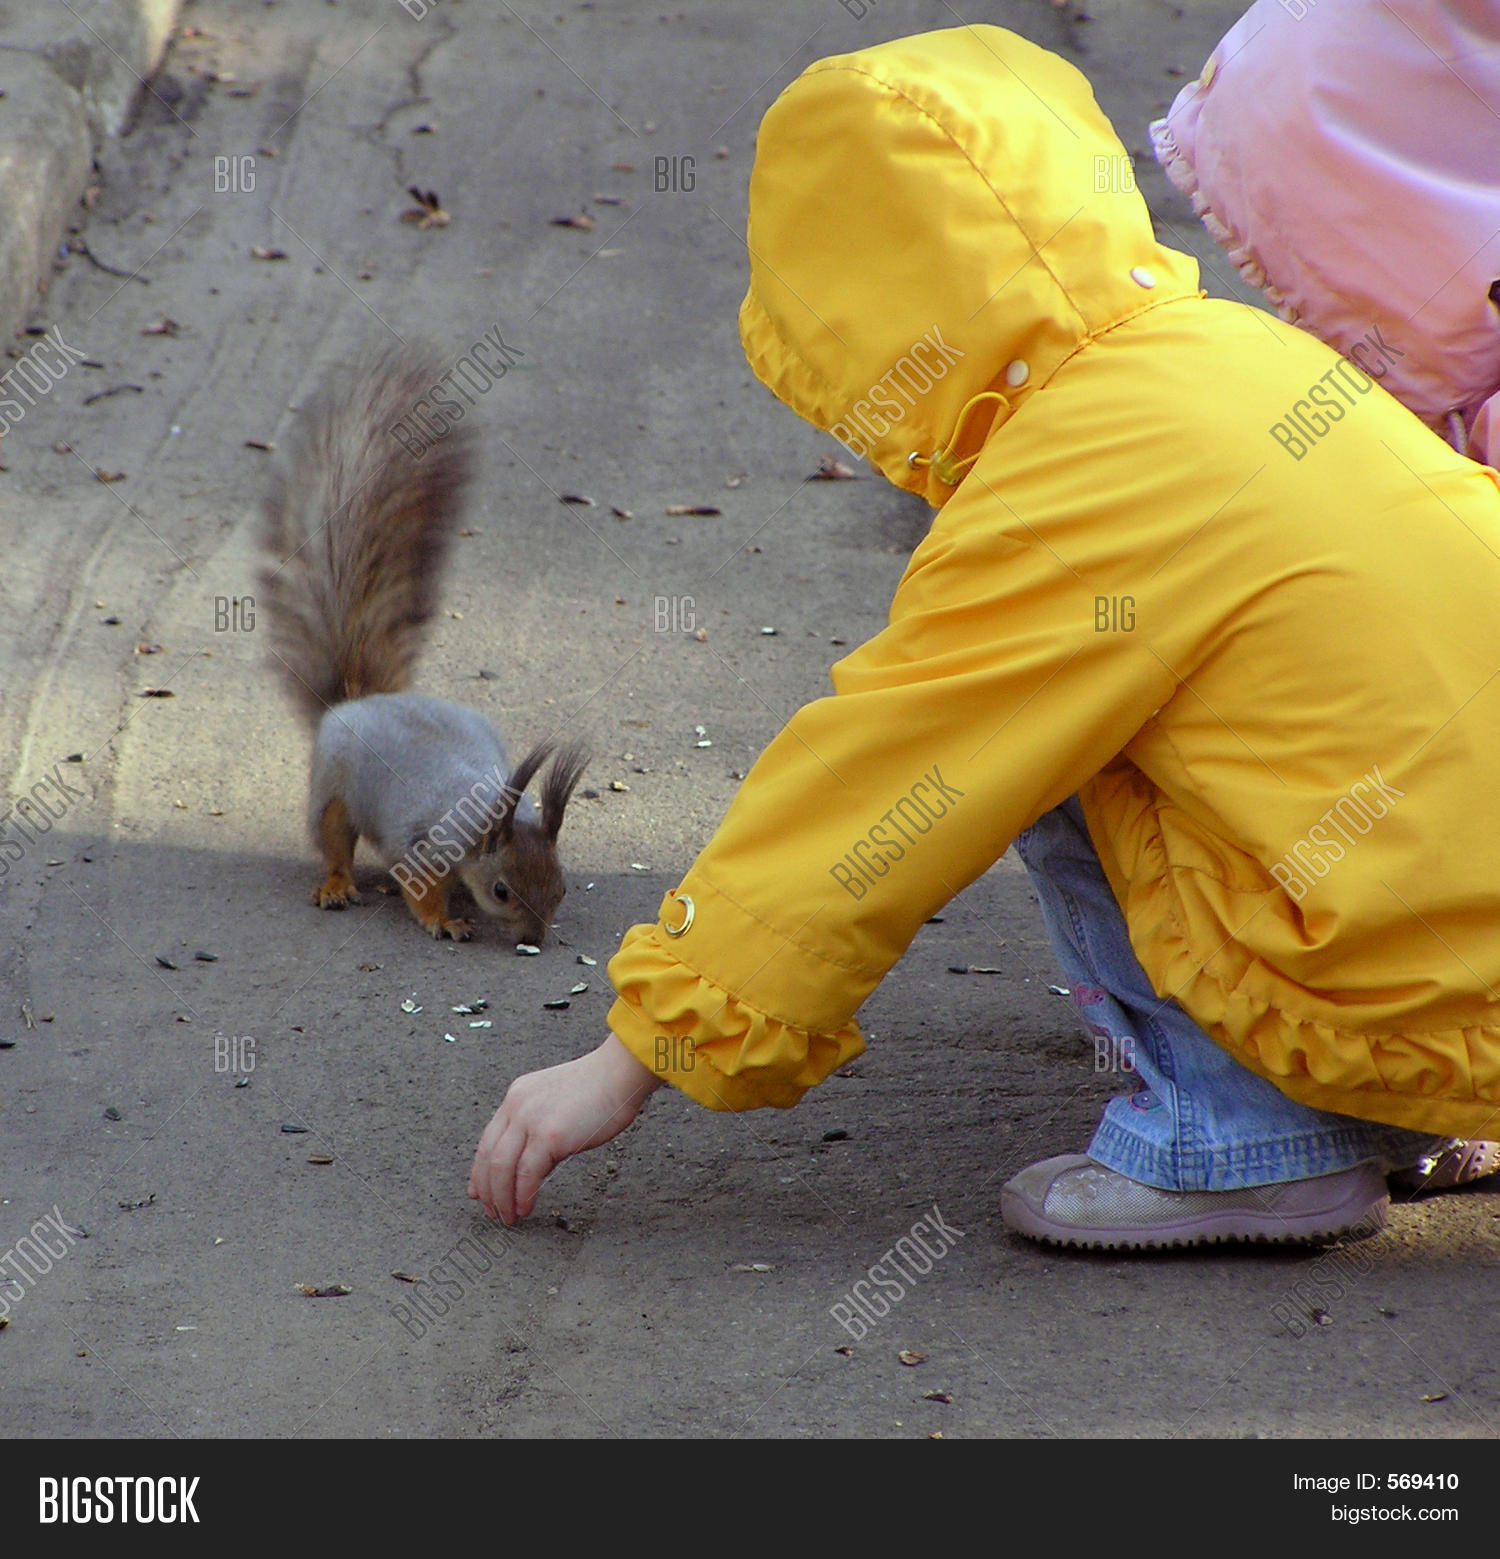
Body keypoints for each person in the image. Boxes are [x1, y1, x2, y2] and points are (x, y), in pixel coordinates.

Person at [469, 21, 1500, 1248]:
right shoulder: (1238, 356)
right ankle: (1415, 1112)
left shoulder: (1068, 480)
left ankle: (1238, 1137)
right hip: (1463, 956)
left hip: (1417, 976)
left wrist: (637, 1049)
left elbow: (886, 777)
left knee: (1040, 740)